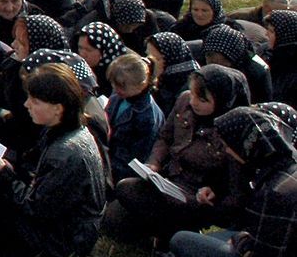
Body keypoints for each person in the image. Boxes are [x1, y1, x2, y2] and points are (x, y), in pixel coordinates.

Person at [0, 63, 108, 257]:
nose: (26, 104)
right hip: (66, 229)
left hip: (60, 244)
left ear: (58, 108)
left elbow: (35, 208)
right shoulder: (67, 130)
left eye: (35, 101)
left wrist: (4, 175)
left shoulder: (65, 153)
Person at [167, 105, 297, 257]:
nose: (227, 150)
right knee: (213, 241)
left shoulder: (278, 191)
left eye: (229, 144)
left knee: (183, 241)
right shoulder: (283, 167)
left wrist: (240, 240)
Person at [102, 64, 249, 247]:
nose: (193, 101)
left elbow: (234, 188)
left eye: (202, 99)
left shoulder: (233, 131)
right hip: (167, 181)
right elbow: (165, 137)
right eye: (192, 94)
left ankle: (172, 232)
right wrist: (154, 163)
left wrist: (212, 195)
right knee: (113, 220)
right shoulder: (184, 101)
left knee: (128, 190)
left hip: (194, 198)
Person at [104, 52, 164, 182]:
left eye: (121, 87)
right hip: (107, 157)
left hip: (120, 170)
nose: (116, 89)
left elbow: (137, 160)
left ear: (141, 84)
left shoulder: (148, 118)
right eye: (114, 85)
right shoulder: (117, 98)